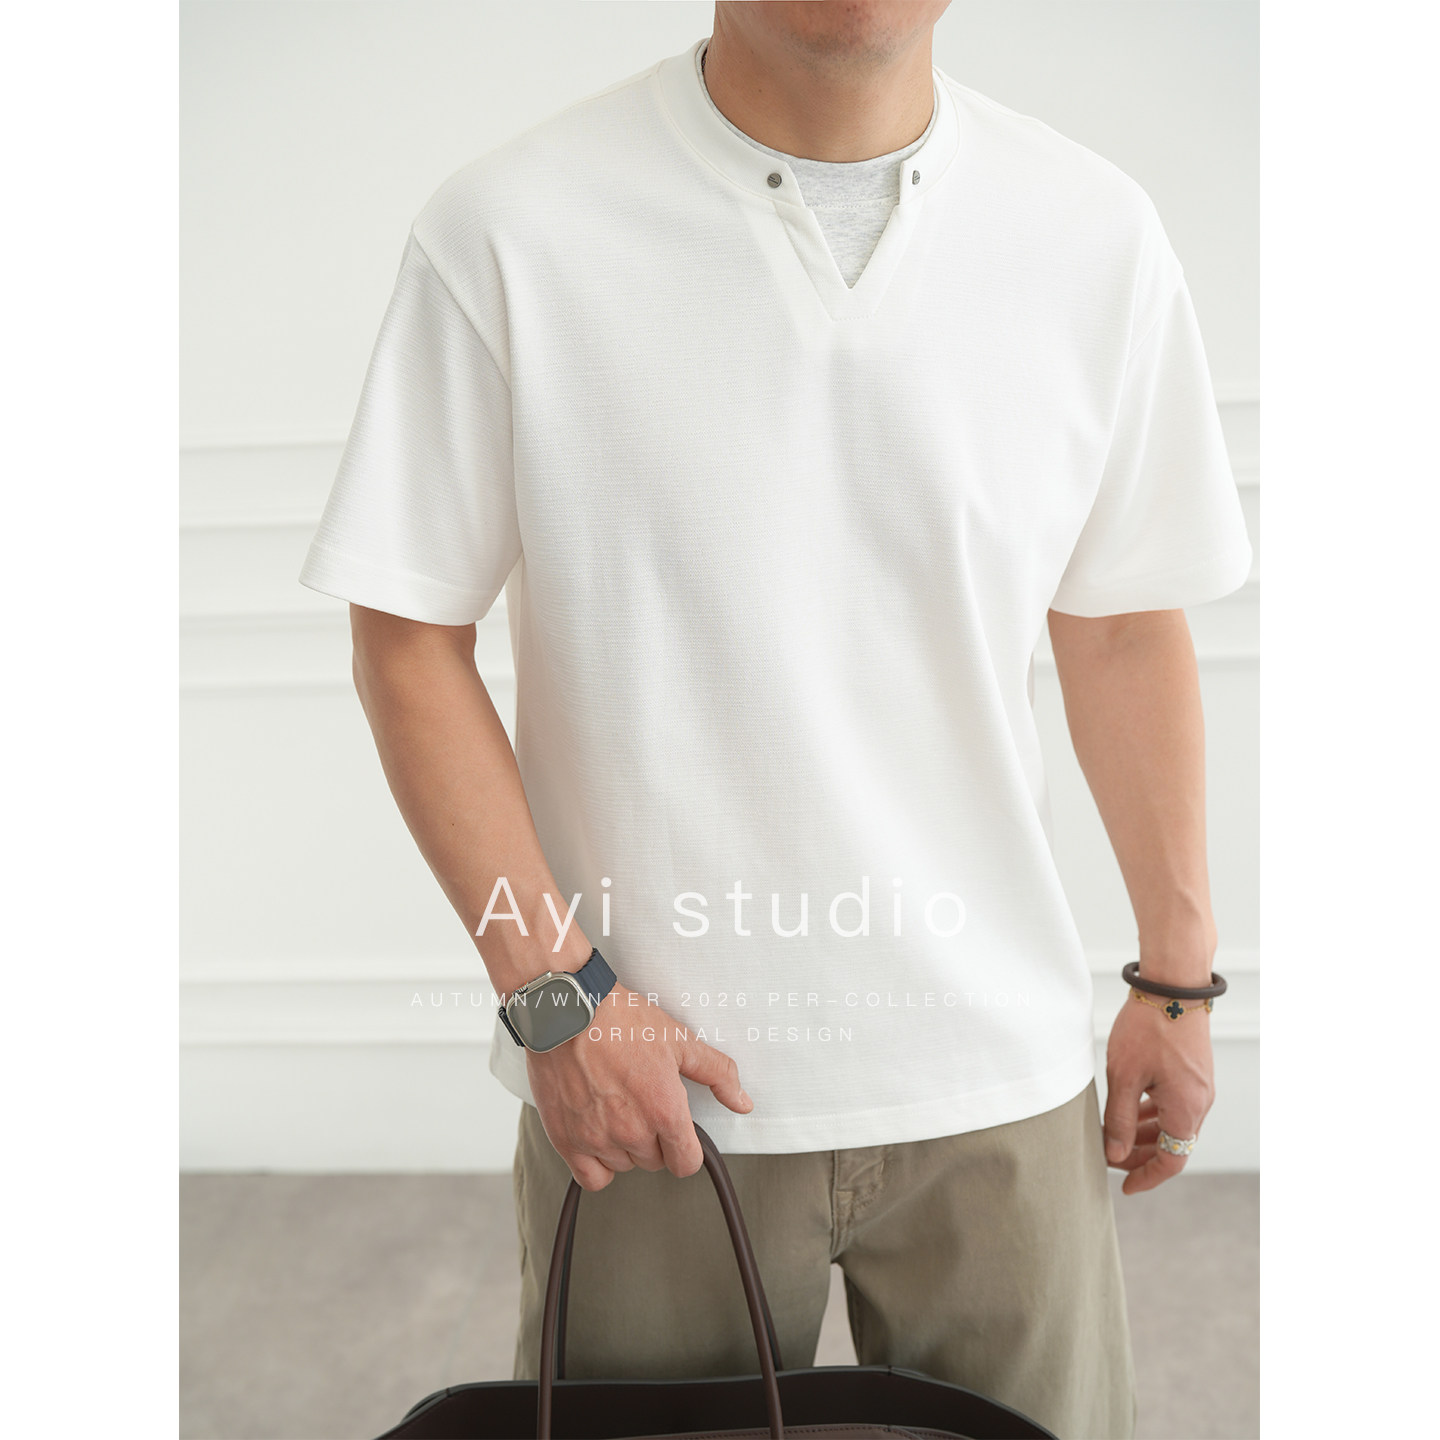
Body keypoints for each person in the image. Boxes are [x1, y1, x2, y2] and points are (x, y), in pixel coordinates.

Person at [298, 4, 1251, 1435]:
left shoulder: (1093, 233)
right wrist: (556, 998)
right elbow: (408, 631)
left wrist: (1178, 980)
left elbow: (1118, 623)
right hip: (652, 1096)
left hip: (1000, 1074)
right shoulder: (512, 226)